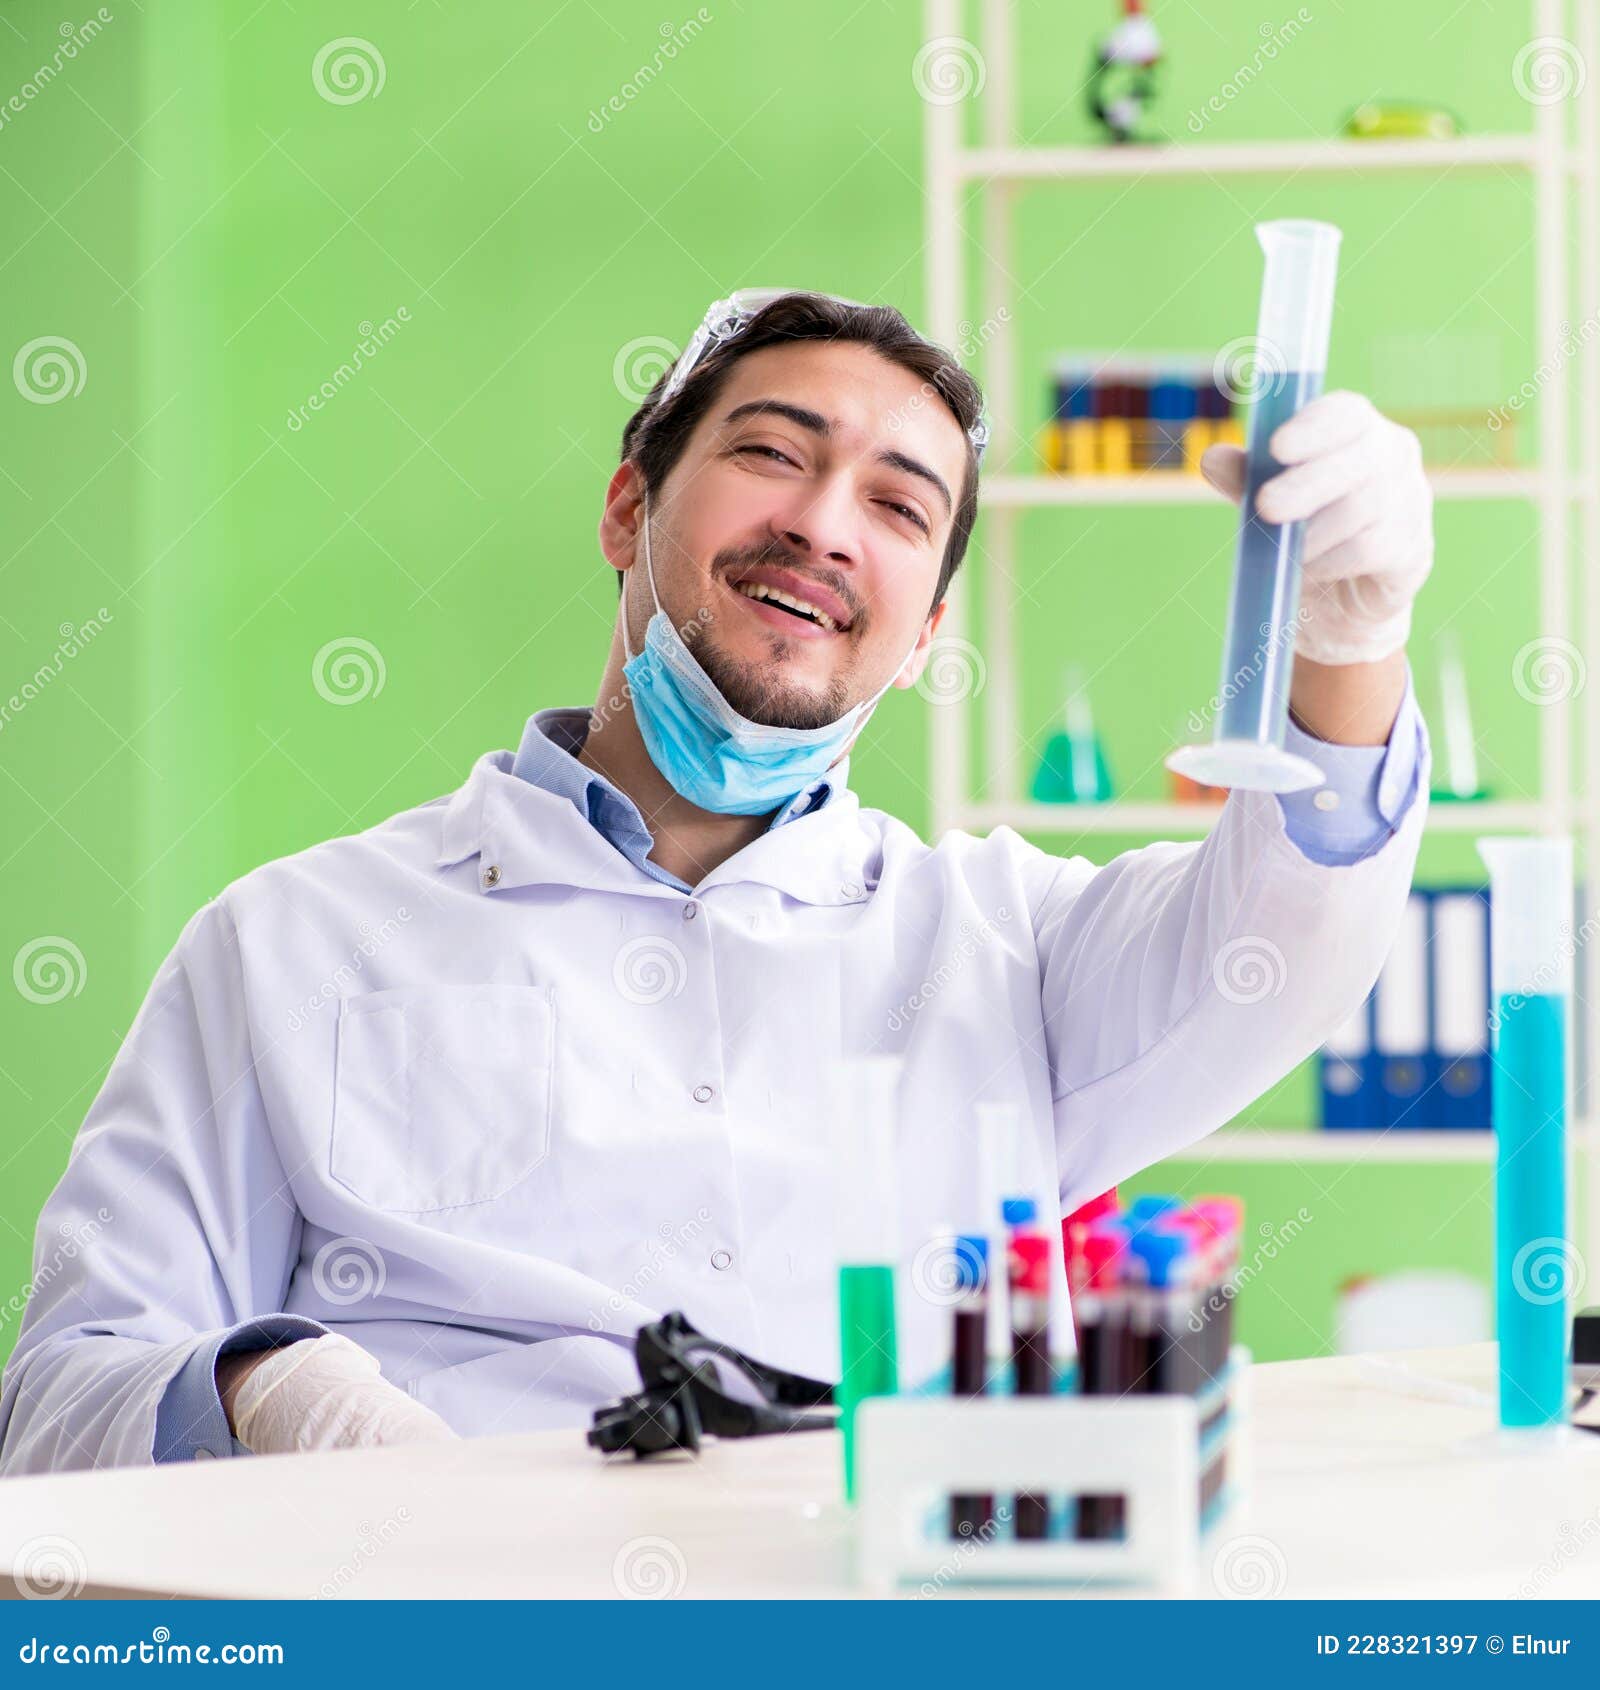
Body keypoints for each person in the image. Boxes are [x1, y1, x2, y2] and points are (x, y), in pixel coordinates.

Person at [0, 291, 1432, 1472]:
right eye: (771, 452)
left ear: (928, 633)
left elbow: (1285, 942)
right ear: (628, 509)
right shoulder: (292, 939)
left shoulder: (1015, 944)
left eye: (900, 504)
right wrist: (263, 1386)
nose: (824, 524)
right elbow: (58, 1401)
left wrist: (1349, 640)